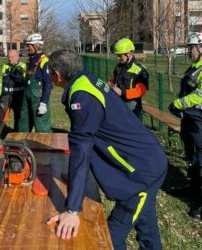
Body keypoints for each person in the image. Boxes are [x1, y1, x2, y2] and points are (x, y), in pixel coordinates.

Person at [46, 49, 167, 249]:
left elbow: (82, 148)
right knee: (147, 230)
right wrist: (77, 176)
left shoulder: (82, 97)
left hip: (140, 175)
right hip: (150, 160)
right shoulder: (86, 79)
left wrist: (73, 209)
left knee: (108, 239)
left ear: (56, 75)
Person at [169, 32, 202, 221]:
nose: (189, 51)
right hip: (190, 121)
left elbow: (199, 96)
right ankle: (193, 188)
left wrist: (178, 104)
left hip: (200, 122)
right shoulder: (194, 68)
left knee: (201, 159)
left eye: (191, 47)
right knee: (192, 157)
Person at [0, 50, 26, 145]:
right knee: (0, 117)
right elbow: (1, 82)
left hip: (18, 96)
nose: (10, 59)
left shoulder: (23, 66)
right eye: (9, 57)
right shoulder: (5, 66)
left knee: (18, 118)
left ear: (17, 57)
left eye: (12, 57)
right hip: (6, 96)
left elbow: (24, 81)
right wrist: (0, 95)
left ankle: (17, 138)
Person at [18, 33, 53, 133]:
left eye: (29, 45)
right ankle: (23, 145)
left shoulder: (44, 61)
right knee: (23, 122)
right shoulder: (30, 60)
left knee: (42, 126)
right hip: (27, 96)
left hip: (38, 99)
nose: (27, 47)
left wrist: (44, 103)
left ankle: (45, 147)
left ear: (36, 46)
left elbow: (48, 84)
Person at [108, 38, 149, 117]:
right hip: (118, 103)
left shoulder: (140, 70)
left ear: (128, 54)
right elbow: (113, 80)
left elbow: (140, 91)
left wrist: (122, 92)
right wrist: (108, 84)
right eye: (117, 55)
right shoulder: (119, 66)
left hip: (132, 108)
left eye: (120, 55)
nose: (118, 58)